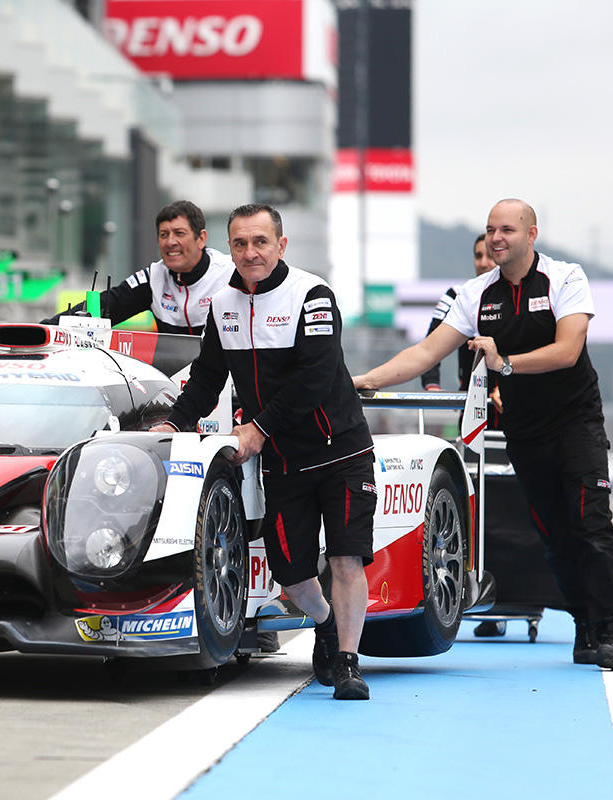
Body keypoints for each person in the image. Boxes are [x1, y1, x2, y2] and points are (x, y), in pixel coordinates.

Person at [354, 198, 613, 671]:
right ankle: (586, 624)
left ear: (531, 233)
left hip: (576, 422)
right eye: (490, 230)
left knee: (591, 523)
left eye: (507, 229)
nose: (497, 238)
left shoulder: (566, 278)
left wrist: (504, 363)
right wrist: (367, 380)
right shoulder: (477, 293)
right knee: (553, 534)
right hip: (526, 429)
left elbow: (567, 350)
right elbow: (426, 352)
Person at [151, 203, 377, 699]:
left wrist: (256, 429)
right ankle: (326, 623)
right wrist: (171, 424)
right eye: (239, 244)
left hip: (340, 453)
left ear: (281, 245)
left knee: (344, 560)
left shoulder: (312, 294)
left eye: (260, 242)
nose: (250, 253)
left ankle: (347, 663)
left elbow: (315, 378)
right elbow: (208, 378)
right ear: (227, 246)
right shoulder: (223, 303)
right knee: (292, 578)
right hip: (283, 463)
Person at [42, 200, 234, 334]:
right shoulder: (154, 276)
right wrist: (44, 329)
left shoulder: (230, 273)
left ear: (201, 239)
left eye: (179, 233)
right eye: (163, 234)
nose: (170, 242)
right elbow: (109, 303)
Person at [421, 234, 499, 391]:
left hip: (510, 401)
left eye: (490, 256)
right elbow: (429, 347)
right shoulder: (456, 295)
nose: (483, 263)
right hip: (468, 401)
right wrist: (433, 385)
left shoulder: (519, 295)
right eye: (478, 256)